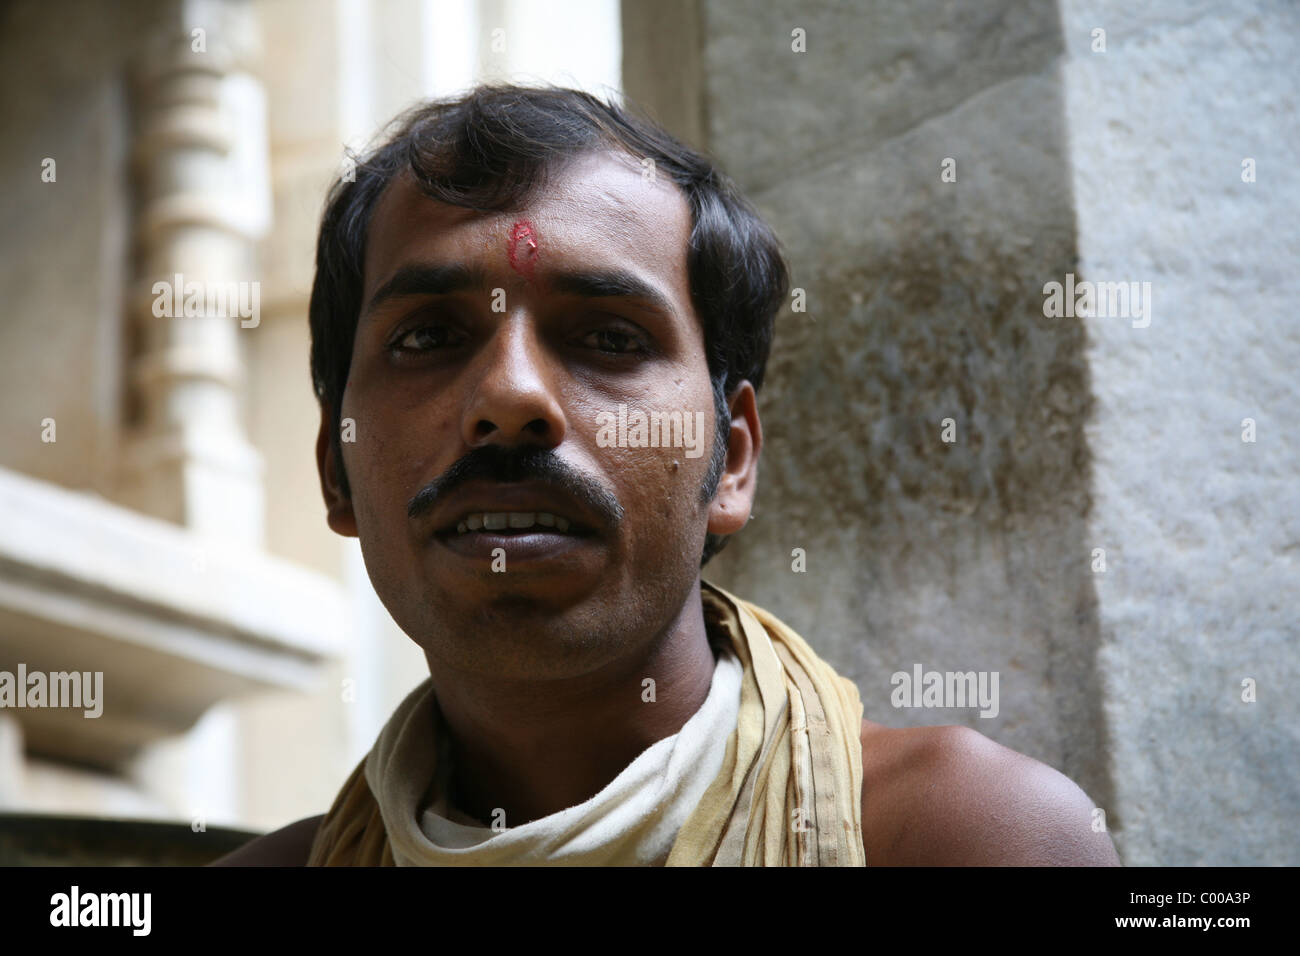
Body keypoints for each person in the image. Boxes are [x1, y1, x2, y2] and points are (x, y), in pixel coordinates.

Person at [213, 83, 1120, 866]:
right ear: (337, 470)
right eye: (427, 339)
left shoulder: (962, 840)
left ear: (730, 460)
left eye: (609, 339)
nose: (510, 396)